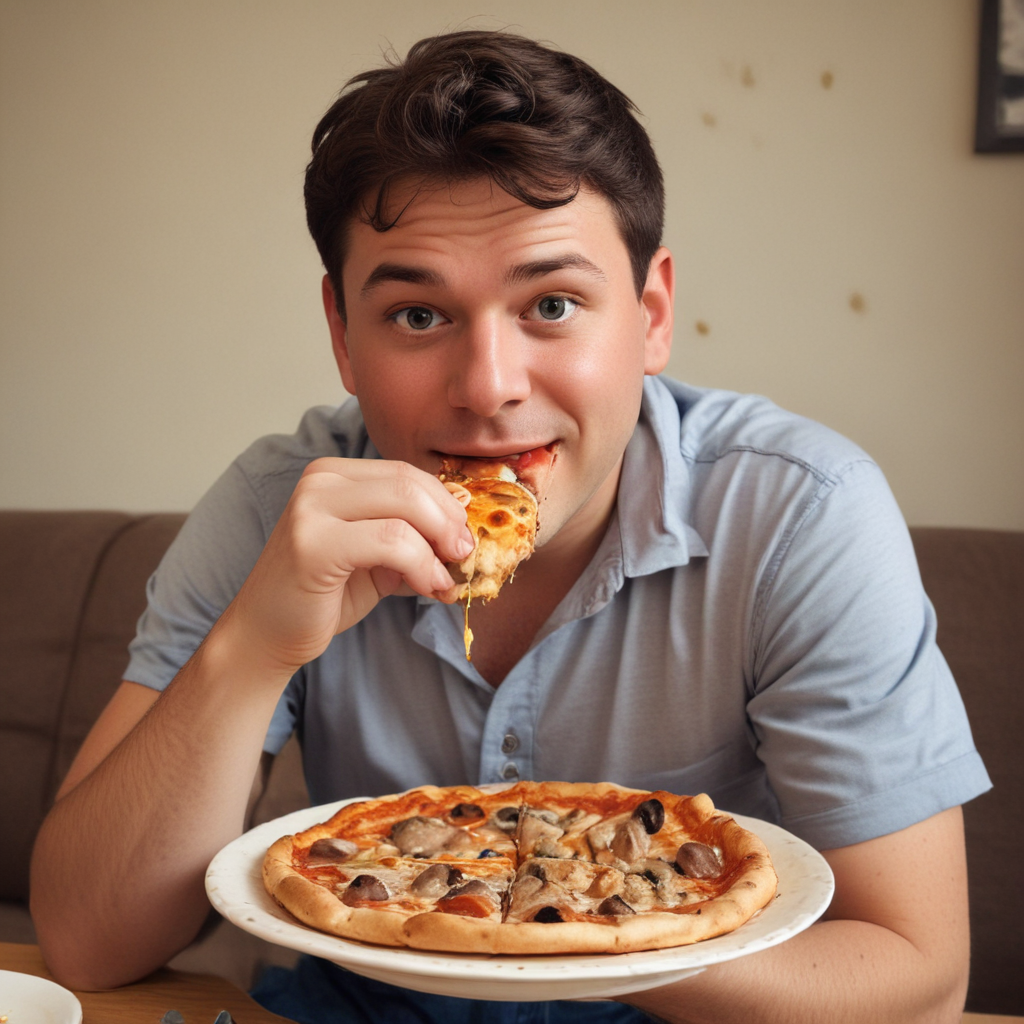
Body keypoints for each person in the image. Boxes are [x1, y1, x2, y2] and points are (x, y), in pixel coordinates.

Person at [31, 29, 990, 1024]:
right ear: (340, 336)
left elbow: (919, 979)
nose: (488, 389)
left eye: (553, 303)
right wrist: (252, 650)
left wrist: (567, 923)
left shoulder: (799, 511)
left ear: (653, 314)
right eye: (416, 316)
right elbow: (88, 942)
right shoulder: (281, 507)